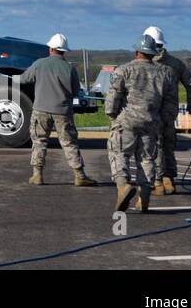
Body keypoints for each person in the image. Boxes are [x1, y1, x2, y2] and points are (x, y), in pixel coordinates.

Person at [105, 33, 176, 212]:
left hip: (126, 121)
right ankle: (143, 198)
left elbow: (113, 99)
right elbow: (170, 103)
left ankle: (123, 187)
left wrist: (112, 116)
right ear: (153, 53)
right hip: (152, 122)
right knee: (146, 159)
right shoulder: (164, 73)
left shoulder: (124, 70)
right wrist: (164, 122)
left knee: (119, 153)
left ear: (137, 52)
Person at [22, 33, 96, 187]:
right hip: (63, 112)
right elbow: (75, 92)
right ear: (64, 51)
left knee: (39, 141)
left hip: (40, 110)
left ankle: (37, 175)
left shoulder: (39, 64)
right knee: (69, 143)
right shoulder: (70, 68)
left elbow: (24, 79)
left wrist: (10, 78)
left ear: (51, 48)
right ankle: (79, 175)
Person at [149, 26, 191, 195]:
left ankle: (158, 180)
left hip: (151, 111)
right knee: (168, 144)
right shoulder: (176, 64)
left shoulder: (145, 63)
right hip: (170, 112)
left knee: (155, 145)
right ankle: (169, 178)